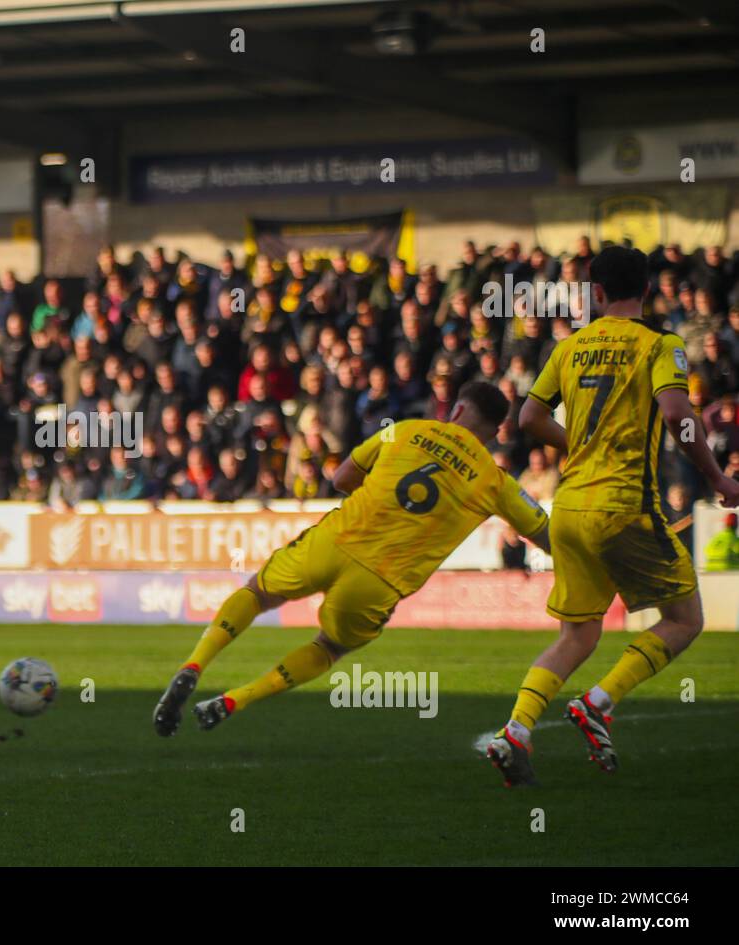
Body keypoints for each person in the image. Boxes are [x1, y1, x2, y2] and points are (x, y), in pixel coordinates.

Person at [153, 383, 550, 736]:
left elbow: (341, 478)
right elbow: (545, 534)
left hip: (336, 539)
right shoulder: (498, 482)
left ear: (456, 410)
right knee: (329, 647)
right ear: (497, 432)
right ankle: (237, 698)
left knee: (257, 592)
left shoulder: (405, 429)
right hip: (380, 581)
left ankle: (194, 666)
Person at [489, 246, 739, 787]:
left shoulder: (570, 346)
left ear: (595, 294)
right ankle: (598, 703)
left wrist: (575, 439)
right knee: (684, 620)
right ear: (646, 290)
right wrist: (717, 477)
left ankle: (516, 731)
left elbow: (529, 416)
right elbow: (678, 415)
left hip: (569, 508)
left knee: (577, 635)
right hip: (624, 504)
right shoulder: (660, 344)